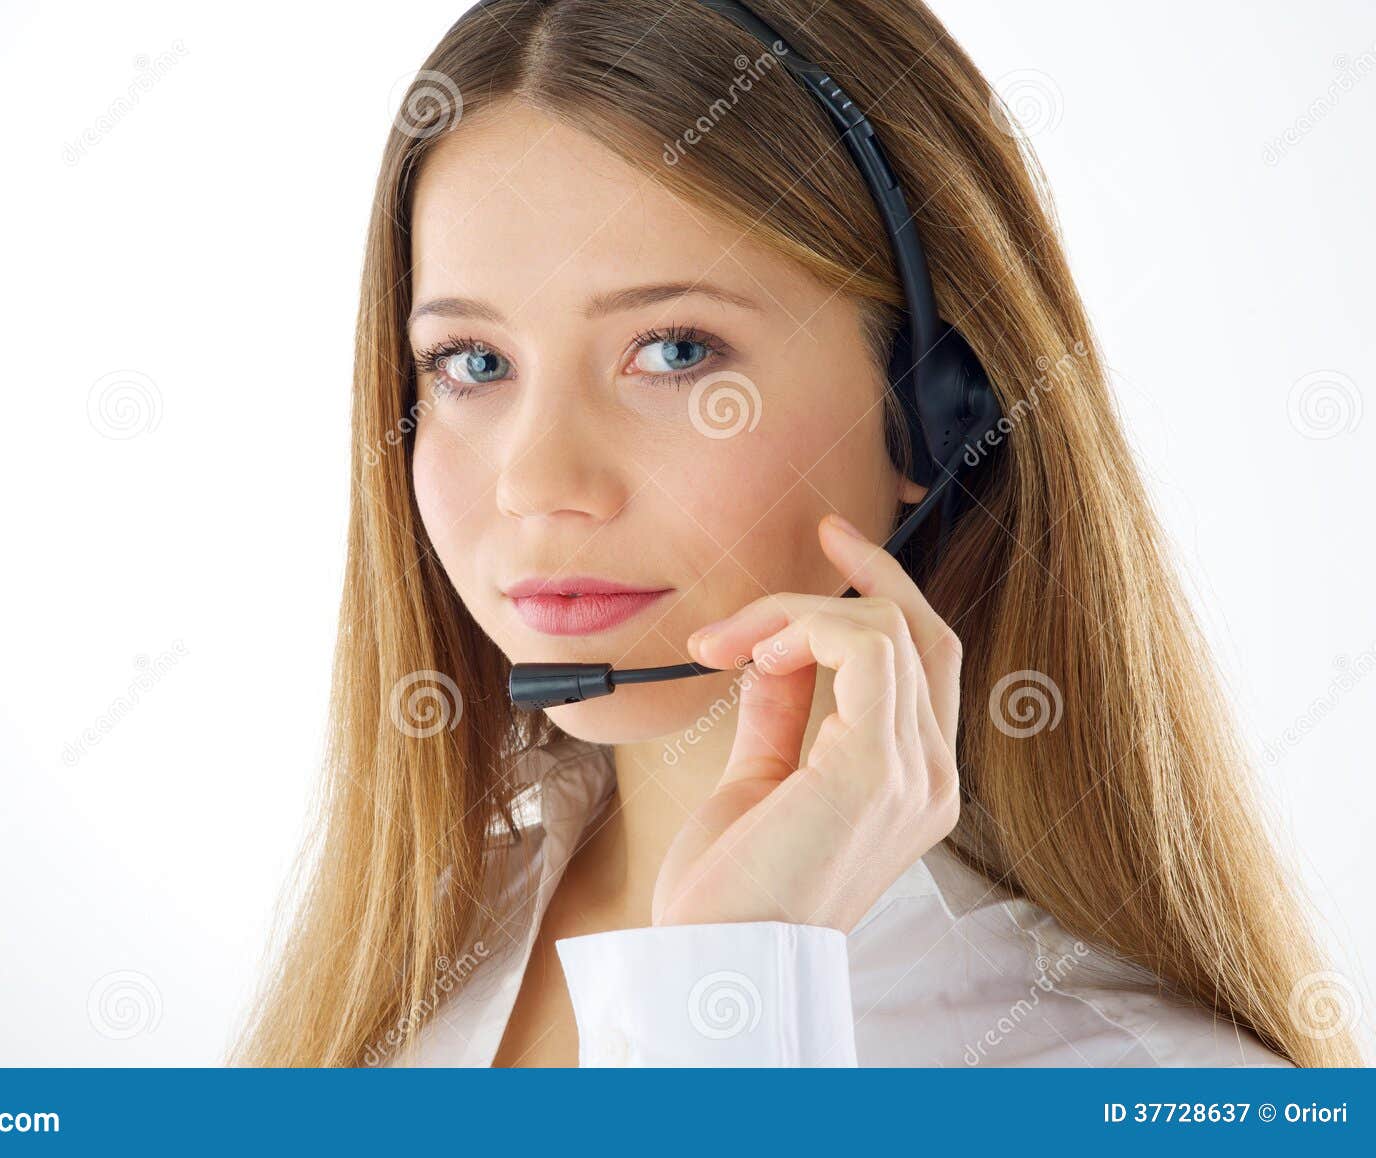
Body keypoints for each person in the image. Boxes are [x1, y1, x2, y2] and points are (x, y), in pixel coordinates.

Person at [230, 0, 1364, 1067]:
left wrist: (737, 984)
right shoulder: (390, 981)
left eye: (676, 351)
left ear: (936, 409)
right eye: (472, 364)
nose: (537, 483)